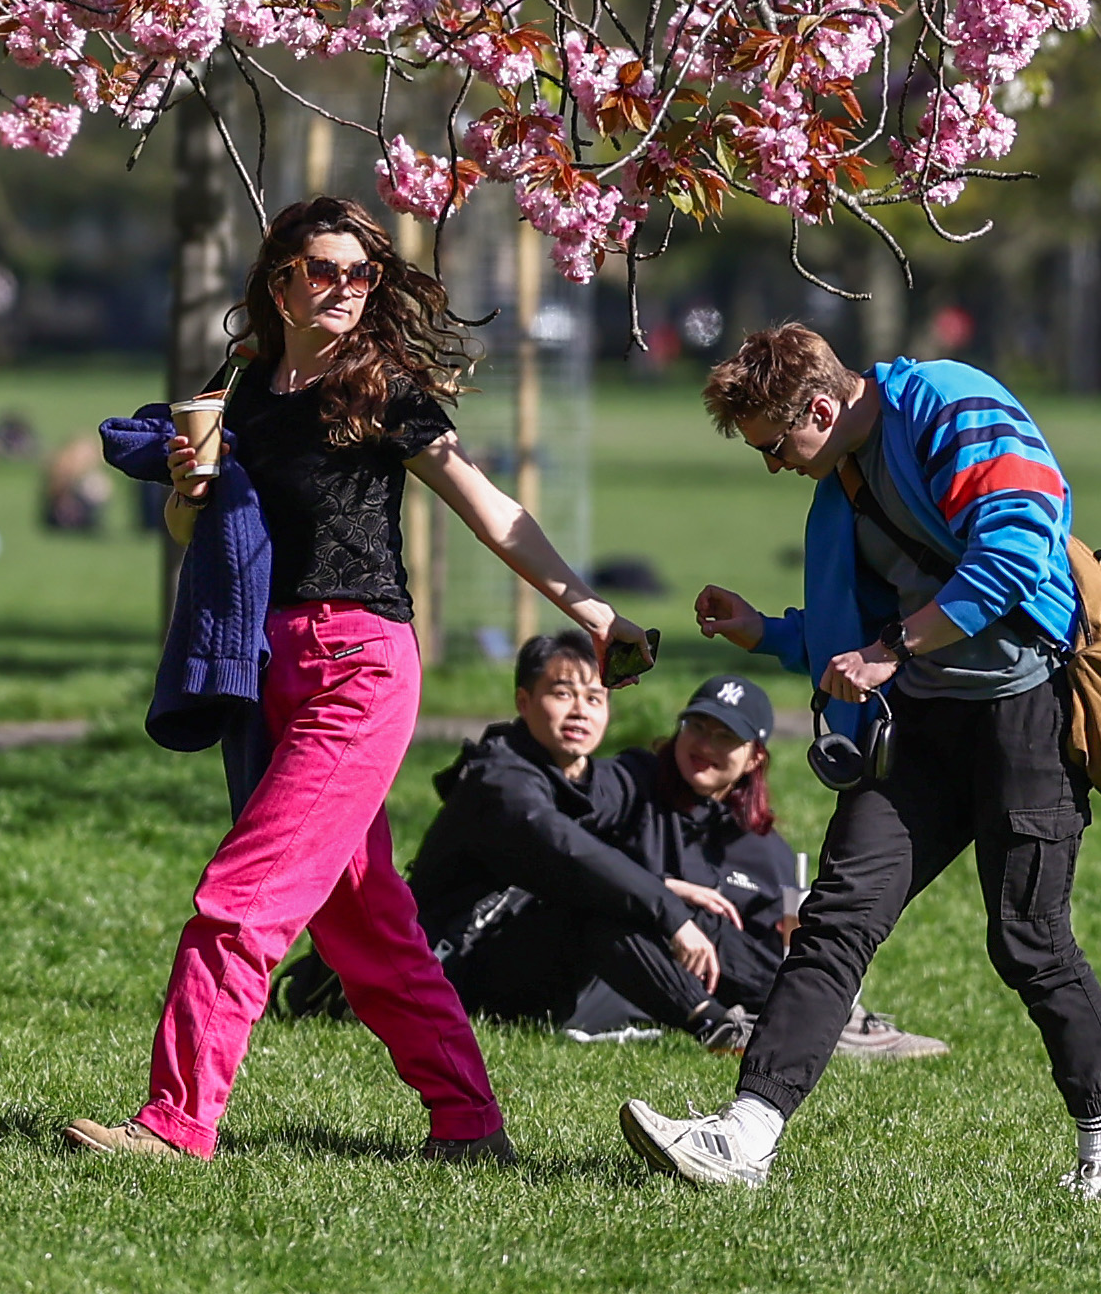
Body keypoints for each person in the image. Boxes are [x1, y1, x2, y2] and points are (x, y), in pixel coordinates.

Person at [63, 196, 658, 1165]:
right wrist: (186, 488)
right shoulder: (244, 385)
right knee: (364, 925)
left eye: (362, 273)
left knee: (241, 895)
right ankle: (469, 1123)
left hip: (359, 667)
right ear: (281, 280)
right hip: (271, 664)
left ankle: (176, 1124)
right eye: (326, 269)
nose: (346, 287)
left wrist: (593, 612)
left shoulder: (385, 389)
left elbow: (489, 507)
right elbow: (190, 532)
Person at [620, 326, 1101, 1205]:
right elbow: (852, 639)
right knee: (835, 920)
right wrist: (767, 632)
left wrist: (898, 647)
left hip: (1026, 711)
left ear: (821, 408)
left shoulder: (949, 402)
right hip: (924, 723)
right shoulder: (841, 484)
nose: (776, 467)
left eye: (777, 446)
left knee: (1028, 942)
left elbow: (1020, 545)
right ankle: (747, 1135)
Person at [383, 630, 754, 1051]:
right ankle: (715, 1025)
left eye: (595, 698)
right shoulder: (500, 781)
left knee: (665, 900)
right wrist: (667, 908)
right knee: (599, 906)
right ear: (524, 702)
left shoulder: (579, 776)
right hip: (454, 969)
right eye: (563, 694)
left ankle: (786, 1005)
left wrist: (666, 889)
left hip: (522, 959)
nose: (580, 710)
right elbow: (565, 852)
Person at [606, 672, 941, 1059]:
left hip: (723, 984)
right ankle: (826, 1016)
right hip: (618, 963)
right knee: (692, 912)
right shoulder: (634, 783)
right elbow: (588, 861)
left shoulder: (765, 849)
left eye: (725, 736)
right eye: (696, 726)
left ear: (755, 756)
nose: (704, 744)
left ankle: (827, 1013)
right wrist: (667, 890)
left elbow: (780, 948)